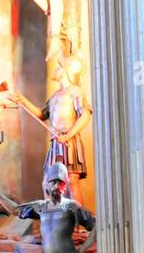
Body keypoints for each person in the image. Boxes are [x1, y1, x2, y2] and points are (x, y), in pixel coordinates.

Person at [6, 53, 91, 205]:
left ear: (68, 70)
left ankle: (78, 223)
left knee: (71, 181)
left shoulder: (75, 92)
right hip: (56, 143)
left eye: (60, 65)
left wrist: (68, 135)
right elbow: (41, 114)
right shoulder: (55, 96)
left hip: (69, 142)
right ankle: (53, 218)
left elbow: (85, 116)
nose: (57, 68)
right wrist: (22, 100)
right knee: (48, 182)